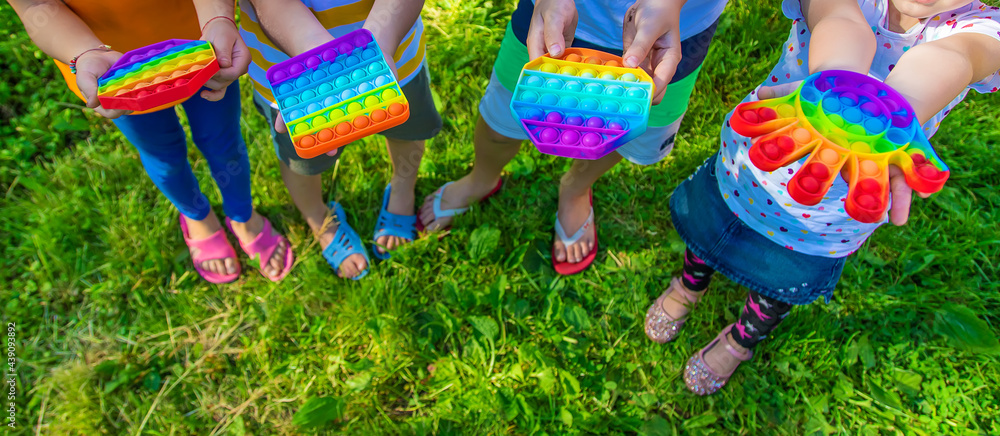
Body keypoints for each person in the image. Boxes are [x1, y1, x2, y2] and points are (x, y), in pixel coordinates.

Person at [643, 0, 1000, 395]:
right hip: (750, 168)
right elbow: (838, 17)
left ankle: (741, 339)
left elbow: (953, 57)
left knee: (777, 287)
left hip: (826, 219)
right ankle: (688, 286)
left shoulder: (984, 29)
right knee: (707, 233)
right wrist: (838, 88)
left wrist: (887, 116)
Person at [417, 0, 727, 275]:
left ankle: (576, 189)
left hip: (674, 27)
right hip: (555, 14)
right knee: (502, 121)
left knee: (620, 129)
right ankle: (482, 178)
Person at [8, 0, 295, 283]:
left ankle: (242, 215)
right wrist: (86, 52)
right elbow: (34, 5)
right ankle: (197, 216)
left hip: (203, 46)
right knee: (164, 157)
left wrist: (217, 19)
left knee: (224, 144)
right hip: (114, 75)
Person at [243, 0, 442, 280]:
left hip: (396, 53)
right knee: (303, 161)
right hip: (296, 79)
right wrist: (321, 58)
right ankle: (318, 218)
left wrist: (377, 44)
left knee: (408, 131)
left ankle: (402, 190)